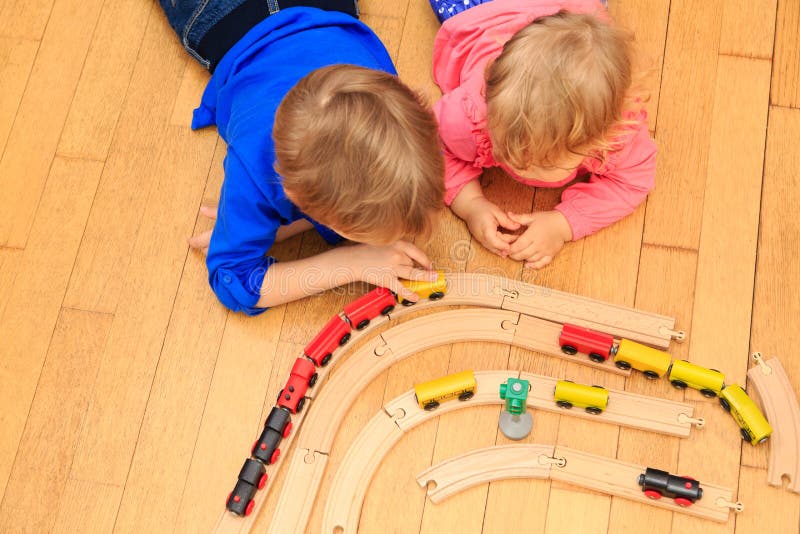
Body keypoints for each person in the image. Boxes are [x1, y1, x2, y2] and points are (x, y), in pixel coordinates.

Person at [158, 1, 445, 315]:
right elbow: (233, 281)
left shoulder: (383, 92)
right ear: (294, 196)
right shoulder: (254, 170)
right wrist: (351, 262)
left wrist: (271, 228)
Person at [429, 0, 655, 269]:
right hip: (486, 13)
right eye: (503, 146)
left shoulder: (618, 136)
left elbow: (631, 182)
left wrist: (564, 224)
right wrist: (470, 204)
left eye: (543, 161)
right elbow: (431, 145)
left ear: (597, 142)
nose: (517, 163)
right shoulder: (470, 114)